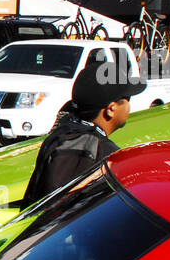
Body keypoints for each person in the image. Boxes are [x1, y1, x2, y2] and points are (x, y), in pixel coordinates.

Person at [22, 60, 145, 207]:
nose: (129, 105)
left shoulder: (61, 132)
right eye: (127, 99)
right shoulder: (108, 156)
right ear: (111, 109)